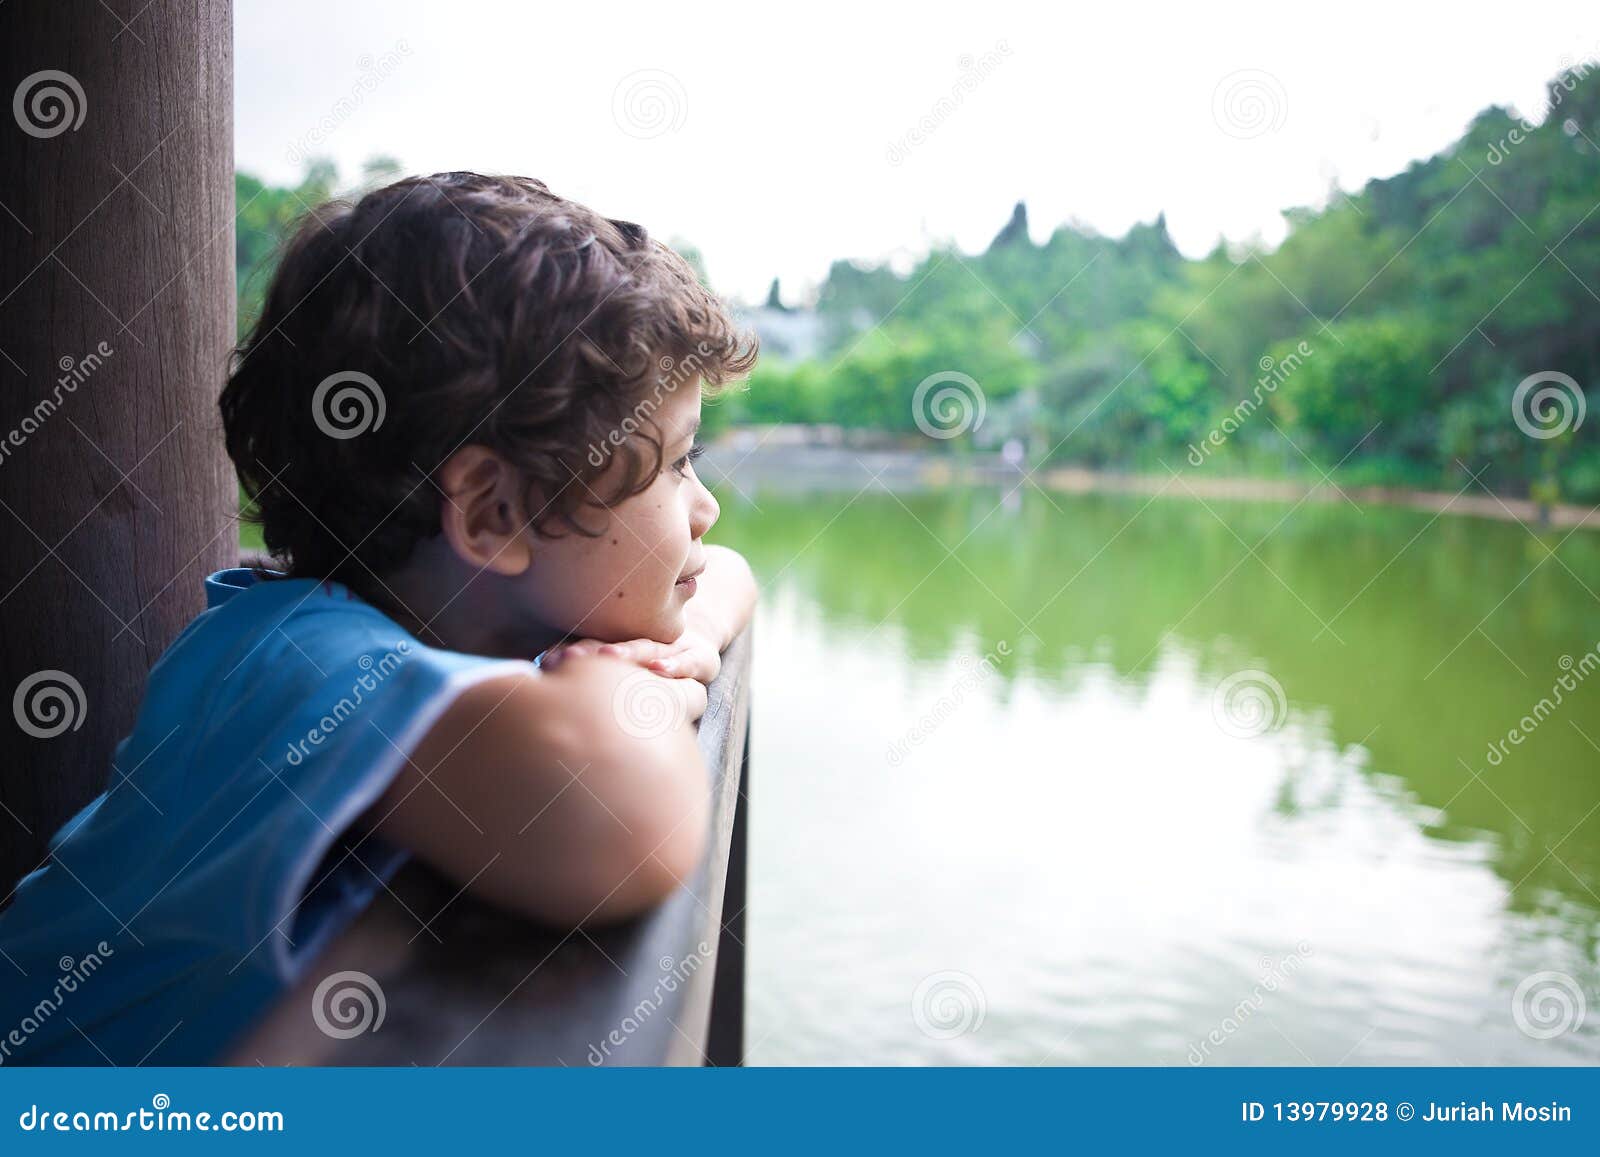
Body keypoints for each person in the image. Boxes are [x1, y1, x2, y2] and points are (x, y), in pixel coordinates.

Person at [0, 172, 758, 1065]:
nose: (705, 507)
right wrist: (626, 686)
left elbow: (731, 574)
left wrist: (691, 644)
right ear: (491, 511)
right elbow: (624, 821)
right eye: (675, 465)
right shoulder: (302, 662)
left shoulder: (435, 625)